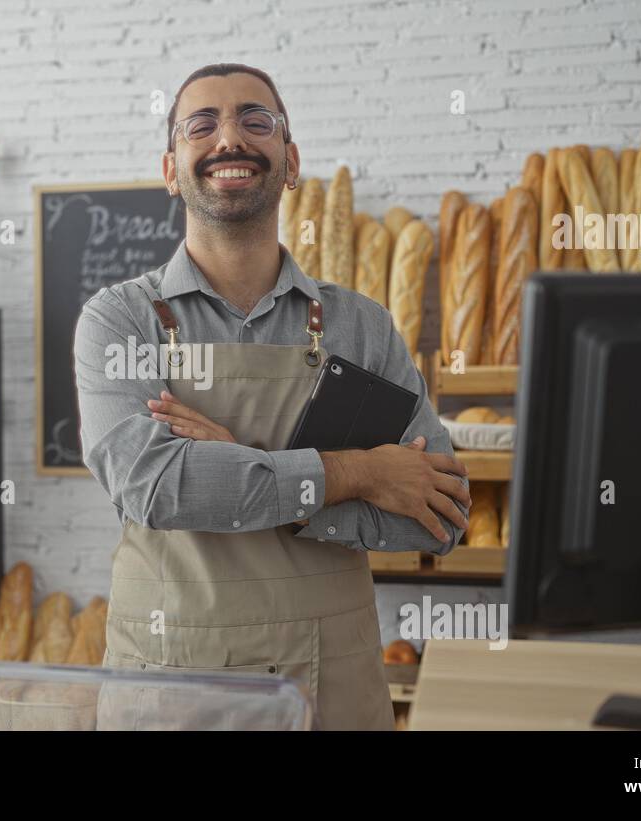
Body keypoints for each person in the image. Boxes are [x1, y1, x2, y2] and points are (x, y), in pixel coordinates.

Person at [74, 63, 470, 730]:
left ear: (290, 163)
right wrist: (357, 473)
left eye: (256, 121)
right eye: (202, 125)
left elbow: (444, 512)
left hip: (333, 690)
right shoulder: (121, 320)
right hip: (168, 693)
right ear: (171, 170)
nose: (230, 138)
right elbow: (154, 487)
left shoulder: (361, 326)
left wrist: (237, 463)